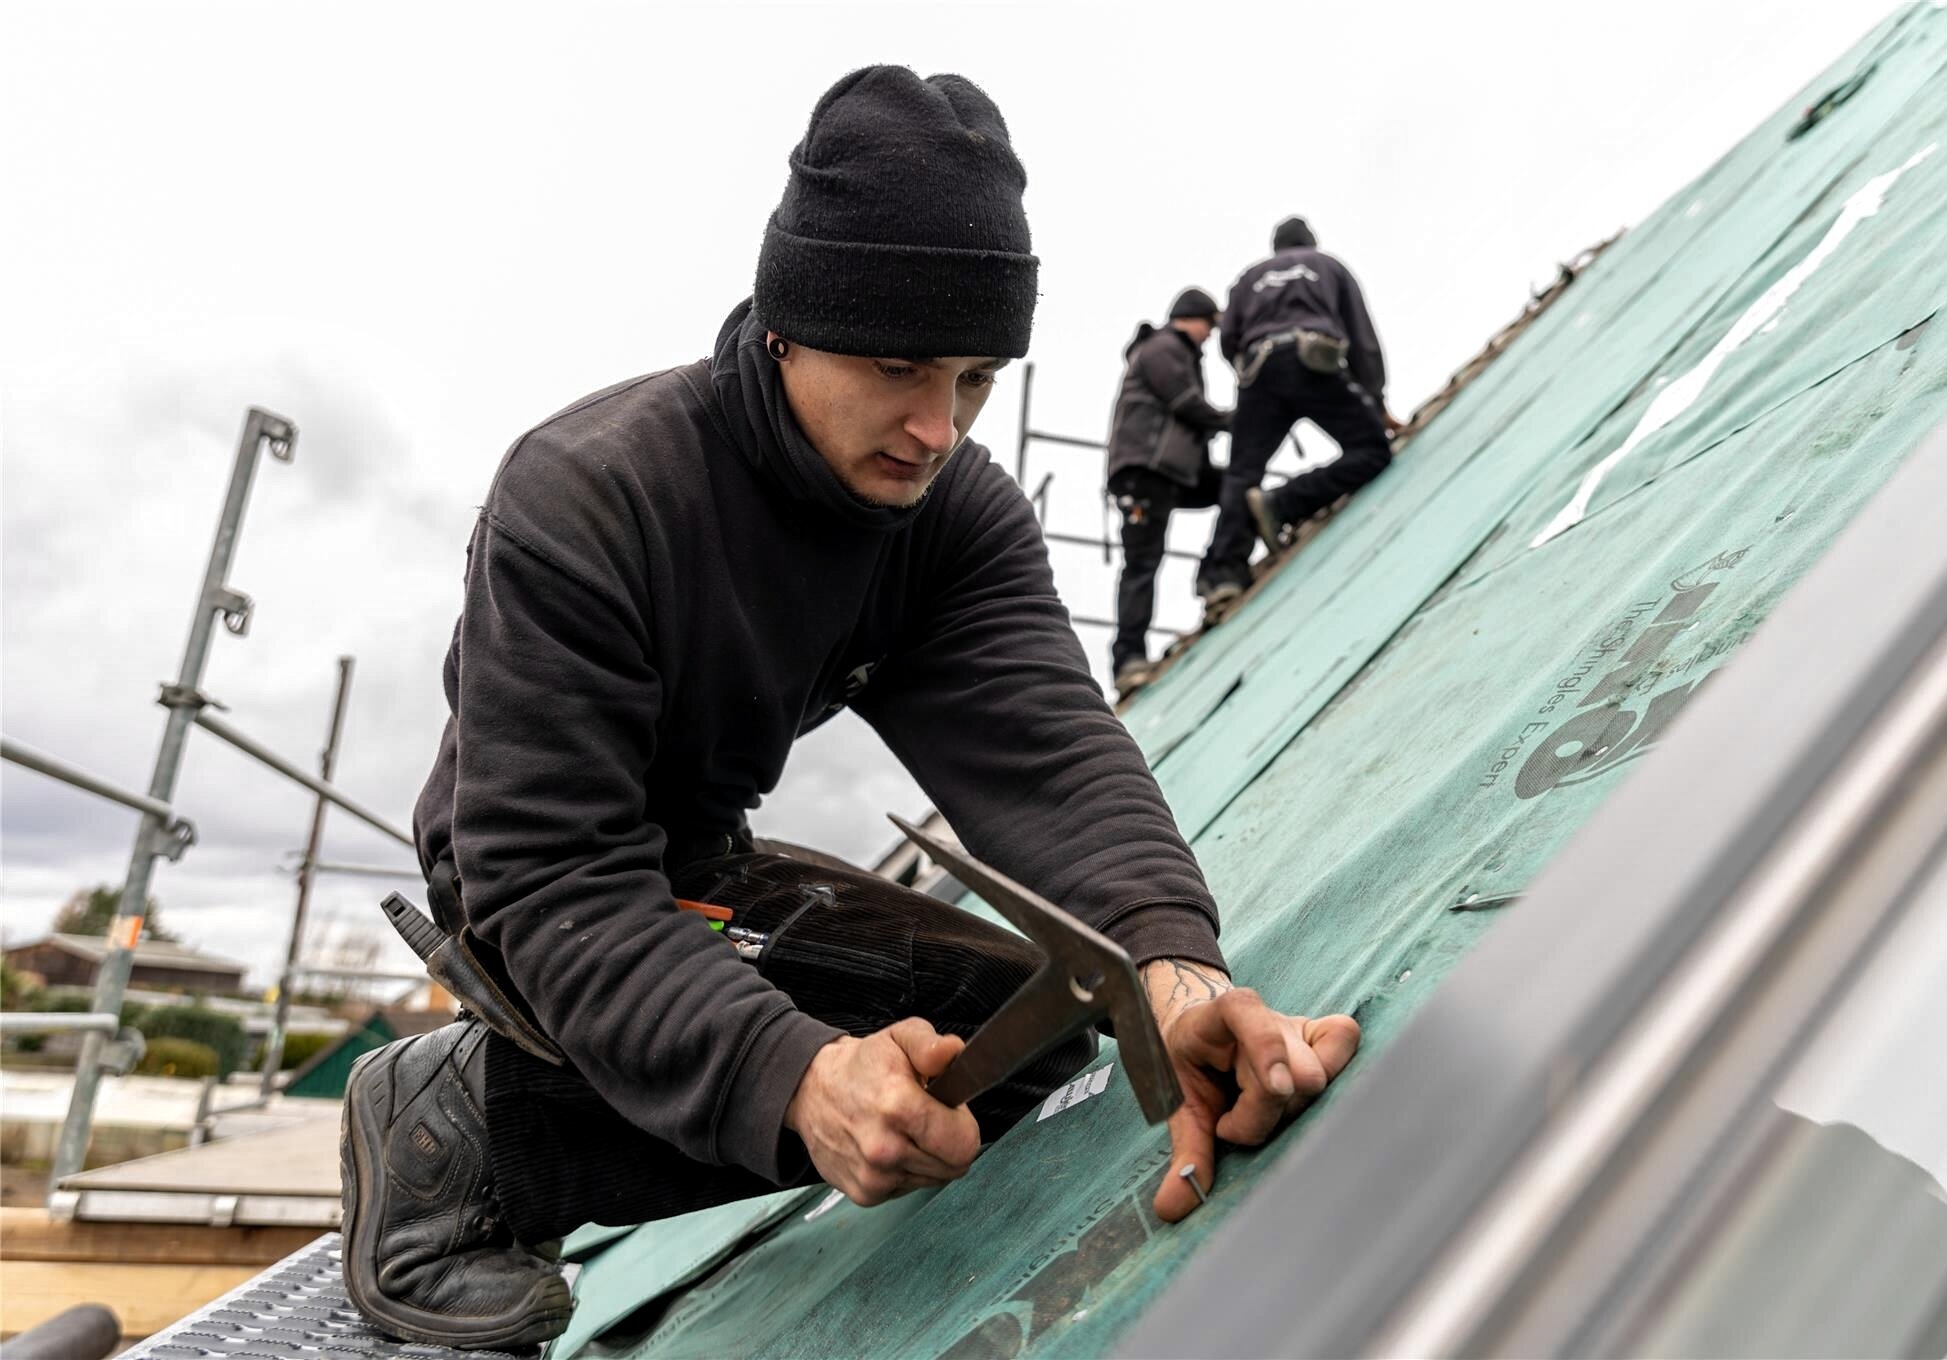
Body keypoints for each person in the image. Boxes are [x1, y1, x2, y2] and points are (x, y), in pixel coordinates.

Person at [338, 68, 1360, 1352]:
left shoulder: (952, 517)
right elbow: (554, 878)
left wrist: (1173, 968)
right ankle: (472, 1129)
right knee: (817, 1079)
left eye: (978, 377)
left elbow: (1052, 761)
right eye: (898, 366)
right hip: (532, 886)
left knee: (1023, 1045)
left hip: (708, 865)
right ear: (786, 326)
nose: (937, 428)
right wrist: (795, 1077)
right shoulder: (589, 497)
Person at [1198, 216, 1400, 613]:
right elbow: (1361, 336)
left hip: (1259, 370)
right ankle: (1283, 504)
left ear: (1276, 247)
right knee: (1372, 449)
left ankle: (1222, 575)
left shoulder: (1247, 278)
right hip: (1313, 362)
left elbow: (1228, 340)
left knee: (1242, 472)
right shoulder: (1327, 265)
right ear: (1310, 242)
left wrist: (1251, 373)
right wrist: (1375, 401)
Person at [1103, 287, 1229, 696]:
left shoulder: (1172, 351)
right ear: (1192, 318)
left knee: (1235, 486)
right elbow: (1186, 403)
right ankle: (1128, 660)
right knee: (1142, 563)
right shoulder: (1163, 347)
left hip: (1171, 472)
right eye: (1209, 324)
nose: (1210, 334)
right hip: (1146, 473)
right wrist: (1234, 419)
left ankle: (1217, 572)